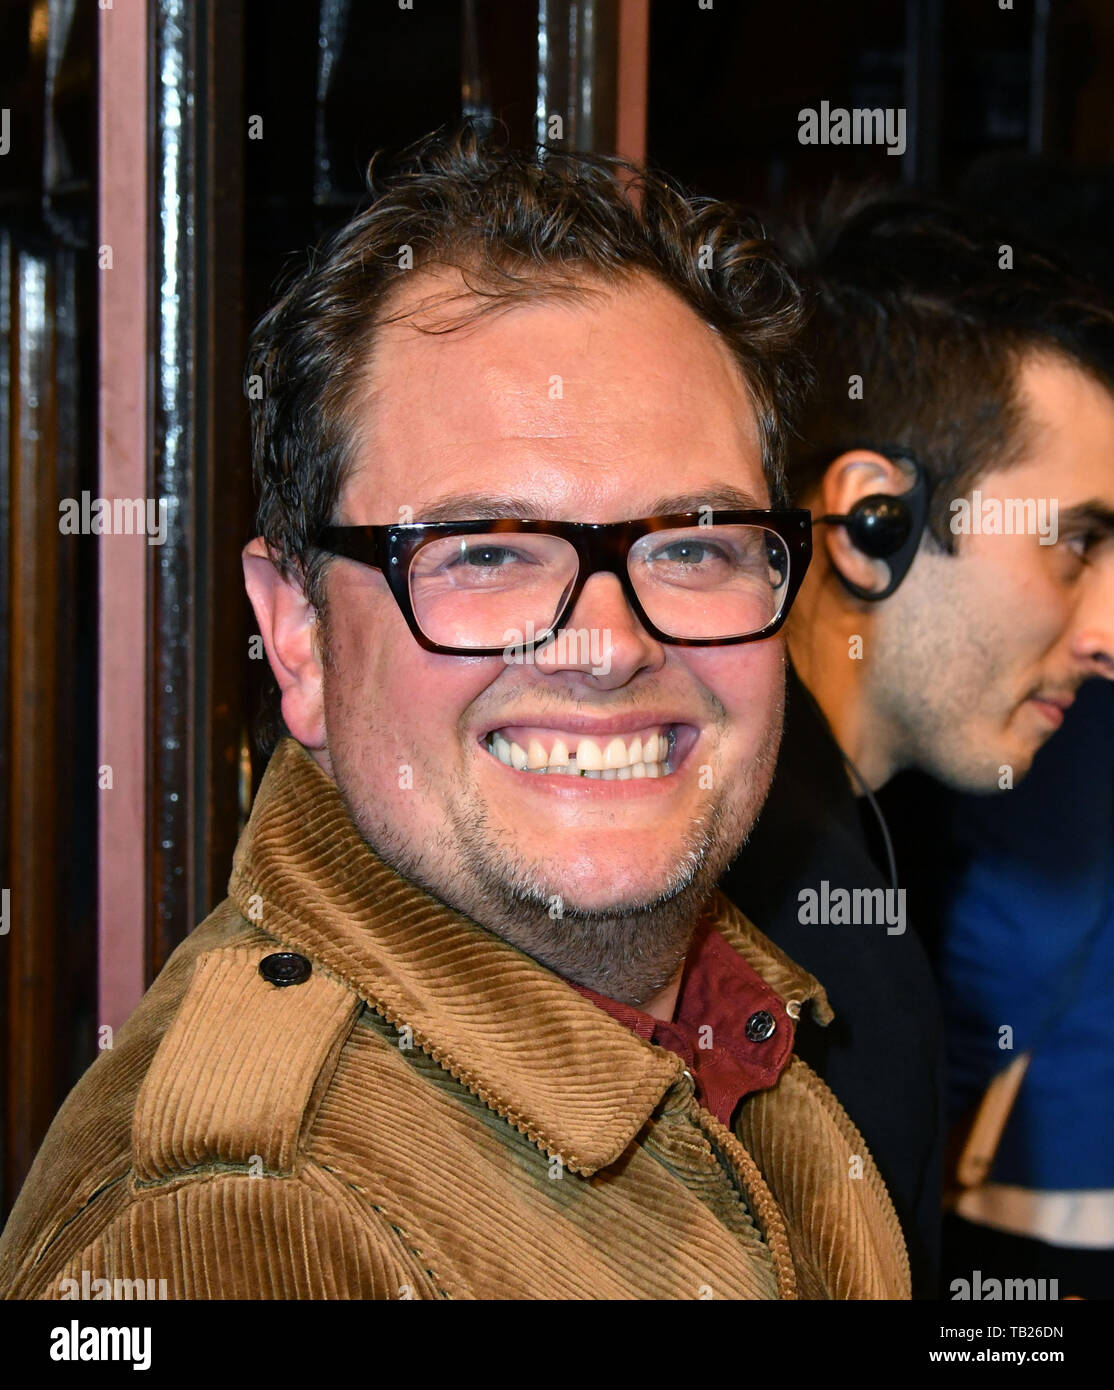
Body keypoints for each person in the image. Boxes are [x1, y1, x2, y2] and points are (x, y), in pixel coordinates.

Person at [0, 129, 910, 1300]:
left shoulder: (739, 1026)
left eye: (692, 546)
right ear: (297, 635)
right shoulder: (255, 1227)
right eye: (484, 553)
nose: (609, 646)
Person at [718, 187, 1114, 1298]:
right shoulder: (821, 954)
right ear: (868, 522)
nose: (1106, 635)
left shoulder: (774, 834)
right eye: (1072, 544)